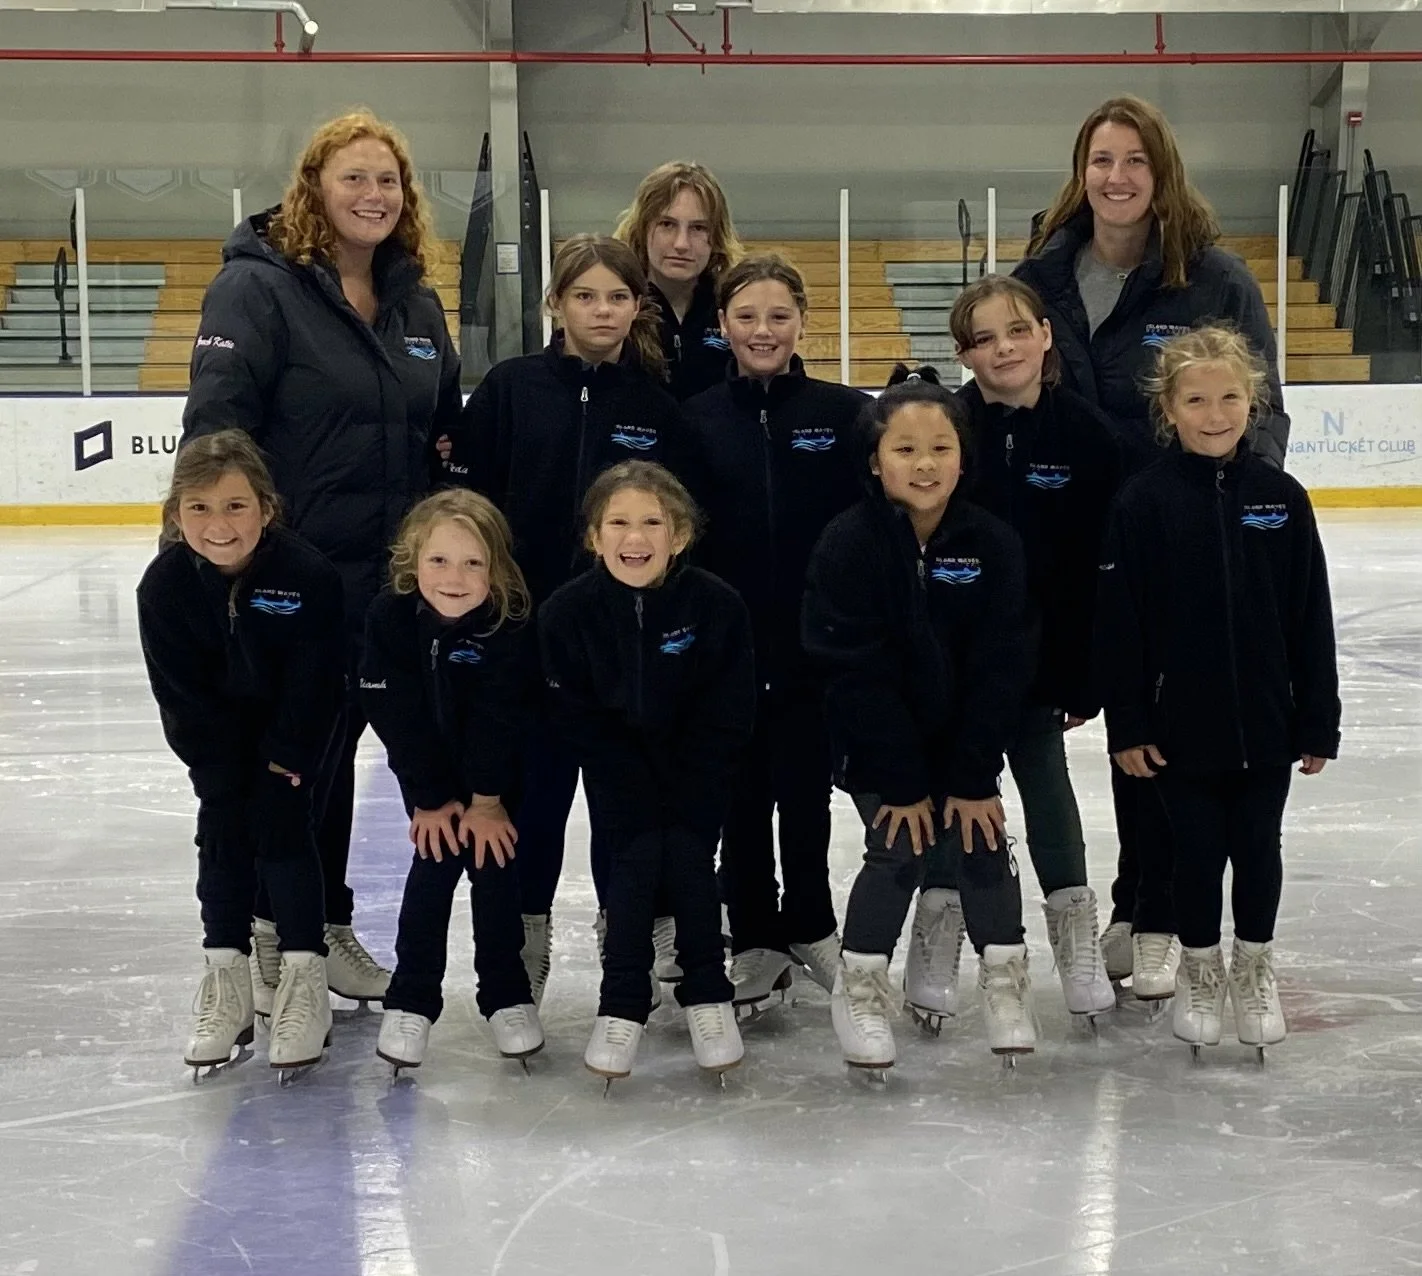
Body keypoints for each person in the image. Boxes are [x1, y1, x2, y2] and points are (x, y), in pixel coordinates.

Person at [182, 110, 463, 1009]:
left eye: (388, 181)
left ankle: (320, 925)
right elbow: (218, 430)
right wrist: (224, 569)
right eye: (354, 178)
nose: (373, 195)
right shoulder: (256, 291)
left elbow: (440, 431)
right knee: (290, 758)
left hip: (388, 585)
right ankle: (274, 935)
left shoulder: (415, 297)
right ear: (313, 187)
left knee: (346, 755)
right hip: (291, 581)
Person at [1014, 94, 1291, 998]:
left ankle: (1161, 907)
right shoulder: (1045, 271)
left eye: (1135, 160)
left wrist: (1231, 512)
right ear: (1080, 171)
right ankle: (1115, 899)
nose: (1117, 177)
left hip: (1174, 540)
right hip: (1068, 536)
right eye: (1101, 160)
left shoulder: (1213, 278)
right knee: (1106, 716)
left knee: (1170, 725)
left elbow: (1263, 407)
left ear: (1161, 172)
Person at [447, 234, 685, 1003]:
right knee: (536, 802)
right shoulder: (511, 389)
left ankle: (631, 940)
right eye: (586, 295)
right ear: (555, 303)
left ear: (638, 306)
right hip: (525, 641)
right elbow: (465, 508)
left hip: (620, 647)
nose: (603, 310)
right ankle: (526, 940)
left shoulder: (653, 404)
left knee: (624, 801)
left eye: (618, 296)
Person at [1095, 325, 1339, 1057]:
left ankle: (1253, 967)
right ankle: (1201, 968)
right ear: (1168, 409)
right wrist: (1128, 723)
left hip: (1267, 722)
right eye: (1195, 399)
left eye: (1229, 396)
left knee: (1258, 848)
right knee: (1194, 853)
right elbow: (1121, 623)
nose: (1214, 413)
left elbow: (1310, 613)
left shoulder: (1280, 498)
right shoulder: (1143, 501)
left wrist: (1317, 717)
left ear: (1253, 402)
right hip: (1179, 727)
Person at [801, 374, 1038, 1068]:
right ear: (876, 460)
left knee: (981, 836)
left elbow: (1003, 662)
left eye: (940, 447)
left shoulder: (992, 543)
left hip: (964, 742)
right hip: (879, 749)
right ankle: (862, 984)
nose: (925, 463)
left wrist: (972, 772)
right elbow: (851, 668)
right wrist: (902, 779)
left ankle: (1005, 981)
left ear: (964, 456)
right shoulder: (849, 543)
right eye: (906, 448)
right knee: (899, 845)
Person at [681, 254, 869, 1008]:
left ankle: (812, 922)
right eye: (748, 317)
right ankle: (756, 933)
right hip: (726, 645)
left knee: (804, 788)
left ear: (802, 322)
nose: (764, 331)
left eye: (779, 316)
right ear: (723, 324)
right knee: (741, 792)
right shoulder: (694, 419)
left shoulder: (844, 412)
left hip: (813, 642)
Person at [539, 462, 755, 1084]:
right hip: (617, 772)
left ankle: (708, 994)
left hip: (697, 770)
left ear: (680, 535)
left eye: (652, 523)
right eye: (619, 523)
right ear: (593, 536)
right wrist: (623, 776)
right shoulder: (568, 613)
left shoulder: (715, 605)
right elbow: (572, 710)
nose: (635, 538)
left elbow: (729, 704)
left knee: (690, 863)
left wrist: (697, 776)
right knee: (631, 869)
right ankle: (622, 1003)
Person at [137, 430, 344, 1077]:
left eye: (234, 506)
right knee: (222, 828)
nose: (218, 524)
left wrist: (283, 761)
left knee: (284, 830)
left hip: (289, 742)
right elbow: (180, 694)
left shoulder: (307, 575)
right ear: (177, 514)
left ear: (266, 508)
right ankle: (226, 975)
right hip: (219, 747)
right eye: (198, 508)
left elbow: (318, 683)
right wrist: (219, 769)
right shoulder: (165, 587)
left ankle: (305, 978)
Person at [946, 275, 1121, 1024]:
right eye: (983, 338)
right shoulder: (948, 425)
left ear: (1046, 335)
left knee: (1046, 786)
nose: (1003, 348)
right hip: (956, 662)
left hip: (1045, 662)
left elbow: (1099, 566)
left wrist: (1086, 672)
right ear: (964, 354)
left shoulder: (1084, 433)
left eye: (1016, 330)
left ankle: (1075, 933)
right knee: (960, 795)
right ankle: (971, 935)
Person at [361, 490, 541, 1073]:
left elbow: (504, 715)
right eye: (438, 561)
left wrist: (486, 801)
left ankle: (506, 995)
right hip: (432, 791)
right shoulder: (390, 617)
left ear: (497, 568)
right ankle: (411, 1000)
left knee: (496, 883)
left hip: (498, 788)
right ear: (413, 560)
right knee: (430, 878)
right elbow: (397, 715)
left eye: (472, 563)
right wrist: (432, 799)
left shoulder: (512, 622)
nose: (454, 577)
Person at [615, 161, 742, 401]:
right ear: (642, 229)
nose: (681, 244)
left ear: (715, 236)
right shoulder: (614, 306)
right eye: (667, 224)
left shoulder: (735, 309)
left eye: (698, 228)